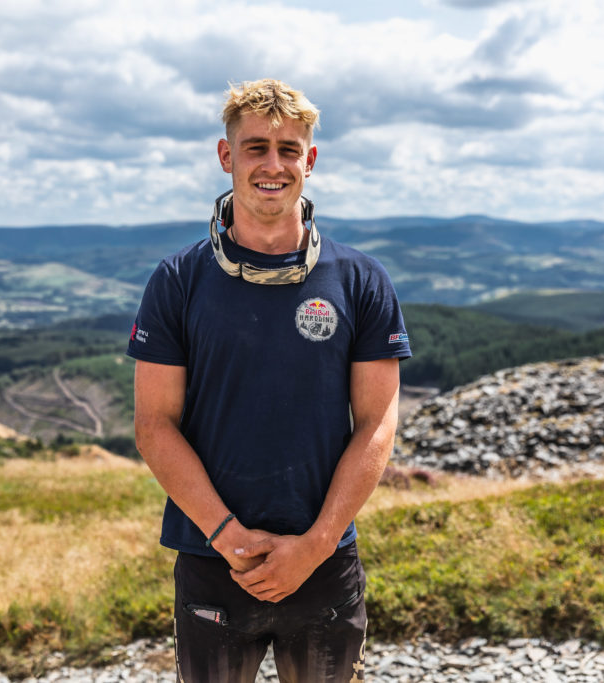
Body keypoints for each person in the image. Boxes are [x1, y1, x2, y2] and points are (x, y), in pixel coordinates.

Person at [126, 78, 411, 682]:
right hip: (213, 561)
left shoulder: (360, 280)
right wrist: (229, 537)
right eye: (255, 147)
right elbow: (155, 425)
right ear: (226, 156)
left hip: (325, 562)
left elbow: (378, 424)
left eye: (288, 149)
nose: (272, 165)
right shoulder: (178, 281)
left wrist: (314, 545)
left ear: (310, 160)